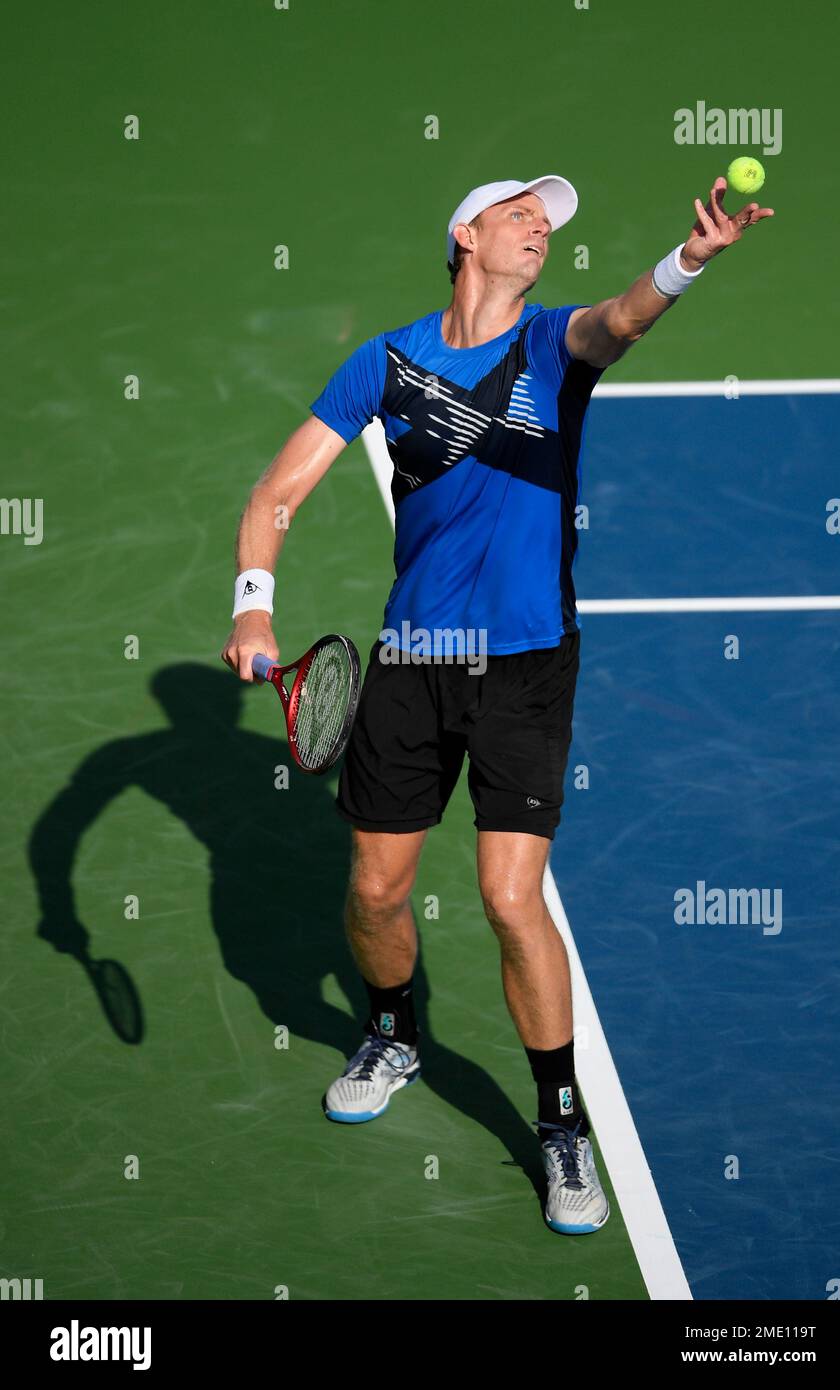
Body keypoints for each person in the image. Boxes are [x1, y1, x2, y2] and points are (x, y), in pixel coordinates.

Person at [221, 173, 774, 1235]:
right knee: (376, 890)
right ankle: (391, 1033)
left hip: (526, 663)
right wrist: (253, 606)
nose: (538, 228)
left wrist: (688, 261)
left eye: (547, 222)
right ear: (465, 236)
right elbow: (275, 493)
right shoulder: (383, 363)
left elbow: (619, 320)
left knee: (509, 898)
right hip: (413, 656)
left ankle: (559, 1123)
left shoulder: (554, 350)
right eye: (519, 212)